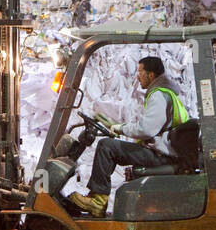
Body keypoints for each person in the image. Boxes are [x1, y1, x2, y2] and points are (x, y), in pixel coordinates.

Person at [68, 56, 191, 217]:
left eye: (140, 71)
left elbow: (147, 129)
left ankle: (98, 201)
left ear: (151, 75)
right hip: (163, 151)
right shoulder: (166, 93)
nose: (137, 76)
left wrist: (120, 128)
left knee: (107, 146)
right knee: (109, 145)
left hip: (161, 155)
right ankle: (97, 198)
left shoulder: (159, 95)